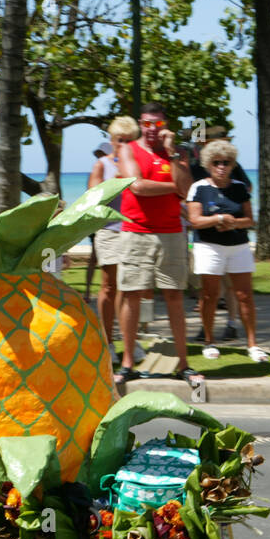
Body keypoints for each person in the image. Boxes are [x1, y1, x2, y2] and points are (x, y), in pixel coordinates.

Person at [114, 101, 198, 388]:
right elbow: (136, 186)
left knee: (174, 297)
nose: (152, 130)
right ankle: (127, 363)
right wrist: (174, 188)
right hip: (136, 231)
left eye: (158, 124)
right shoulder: (128, 149)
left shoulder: (177, 153)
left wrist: (173, 154)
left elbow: (187, 190)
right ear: (140, 123)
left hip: (172, 233)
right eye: (147, 123)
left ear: (166, 125)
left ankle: (183, 364)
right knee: (131, 296)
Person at [186, 140, 266, 363]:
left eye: (226, 162)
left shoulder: (240, 188)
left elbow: (250, 220)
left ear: (232, 164)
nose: (221, 166)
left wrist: (234, 224)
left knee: (245, 296)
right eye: (216, 162)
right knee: (210, 296)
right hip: (209, 246)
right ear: (208, 164)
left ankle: (253, 344)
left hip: (238, 246)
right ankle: (209, 341)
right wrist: (218, 219)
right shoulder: (199, 187)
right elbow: (194, 220)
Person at [88, 115, 141, 361]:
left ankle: (131, 342)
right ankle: (108, 342)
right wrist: (116, 182)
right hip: (109, 229)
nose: (124, 146)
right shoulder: (103, 165)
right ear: (112, 140)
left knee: (131, 289)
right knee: (110, 286)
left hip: (134, 230)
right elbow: (92, 200)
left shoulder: (139, 163)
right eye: (120, 141)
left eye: (129, 141)